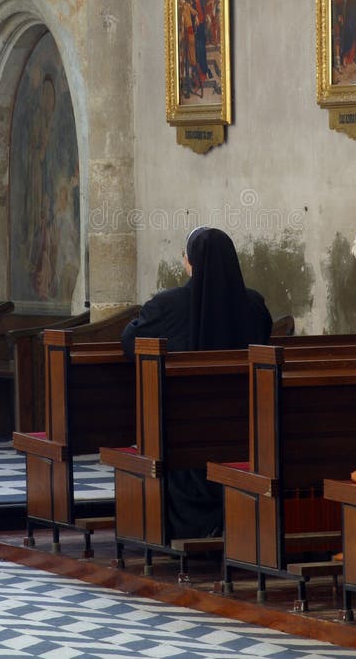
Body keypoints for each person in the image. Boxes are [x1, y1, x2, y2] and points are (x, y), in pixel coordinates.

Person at [121, 227, 273, 538]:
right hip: (248, 428)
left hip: (184, 431)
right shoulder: (254, 305)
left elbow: (129, 341)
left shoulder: (167, 306)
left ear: (189, 261)